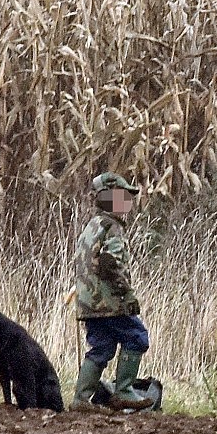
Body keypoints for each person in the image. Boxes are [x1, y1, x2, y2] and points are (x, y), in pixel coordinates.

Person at [69, 172, 154, 411]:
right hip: (108, 302)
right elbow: (110, 263)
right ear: (109, 198)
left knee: (102, 346)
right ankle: (124, 391)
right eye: (123, 196)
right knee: (137, 337)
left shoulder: (92, 225)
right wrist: (127, 295)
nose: (127, 202)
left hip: (88, 303)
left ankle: (80, 400)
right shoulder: (112, 227)